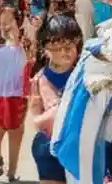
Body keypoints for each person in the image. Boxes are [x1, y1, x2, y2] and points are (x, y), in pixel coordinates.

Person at [29, 14, 84, 184]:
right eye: (55, 44)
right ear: (44, 48)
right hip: (49, 148)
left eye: (68, 44)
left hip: (80, 146)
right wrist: (54, 113)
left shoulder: (85, 74)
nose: (63, 51)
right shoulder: (39, 80)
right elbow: (35, 120)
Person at [0, 5, 27, 180]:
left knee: (16, 131)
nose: (7, 24)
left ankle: (12, 171)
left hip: (17, 92)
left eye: (11, 19)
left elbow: (27, 60)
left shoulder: (24, 37)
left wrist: (17, 39)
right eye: (3, 20)